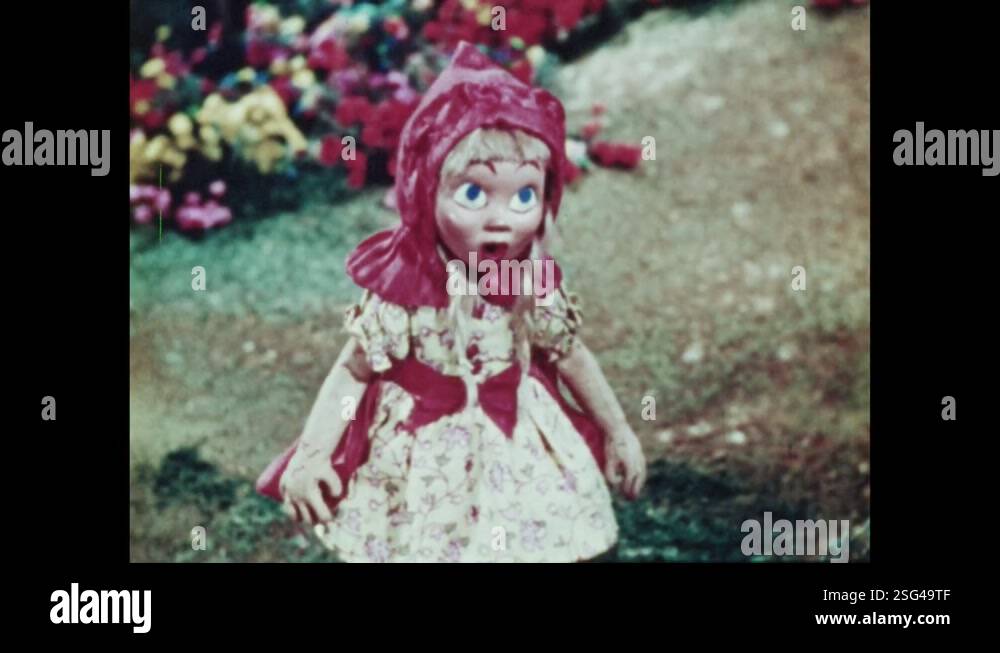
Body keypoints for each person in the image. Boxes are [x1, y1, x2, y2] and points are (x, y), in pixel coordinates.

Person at [256, 41, 645, 562]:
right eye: (473, 194)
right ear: (425, 191)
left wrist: (618, 431)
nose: (502, 218)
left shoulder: (530, 282)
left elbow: (568, 353)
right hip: (427, 452)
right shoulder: (406, 288)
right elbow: (355, 372)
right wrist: (312, 452)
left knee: (533, 536)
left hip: (516, 438)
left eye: (525, 195)